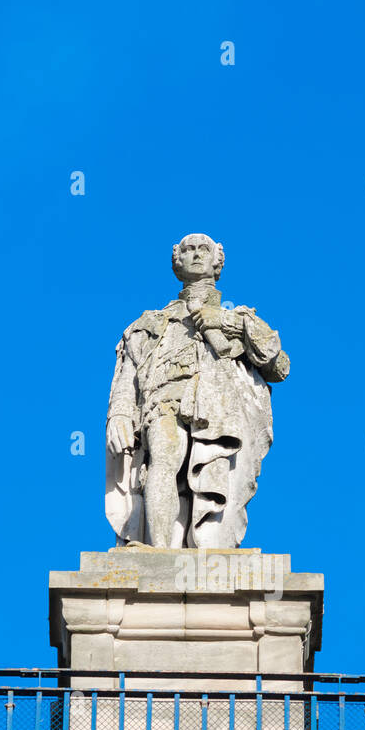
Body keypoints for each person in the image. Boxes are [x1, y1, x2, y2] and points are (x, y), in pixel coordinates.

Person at [105, 233, 290, 548]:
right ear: (176, 259)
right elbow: (129, 370)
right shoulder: (151, 322)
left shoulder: (238, 317)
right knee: (163, 457)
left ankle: (210, 548)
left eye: (203, 249)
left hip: (216, 405)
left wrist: (228, 323)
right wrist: (120, 413)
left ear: (218, 260)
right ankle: (158, 550)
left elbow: (279, 367)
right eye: (188, 249)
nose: (196, 254)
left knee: (212, 471)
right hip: (164, 396)